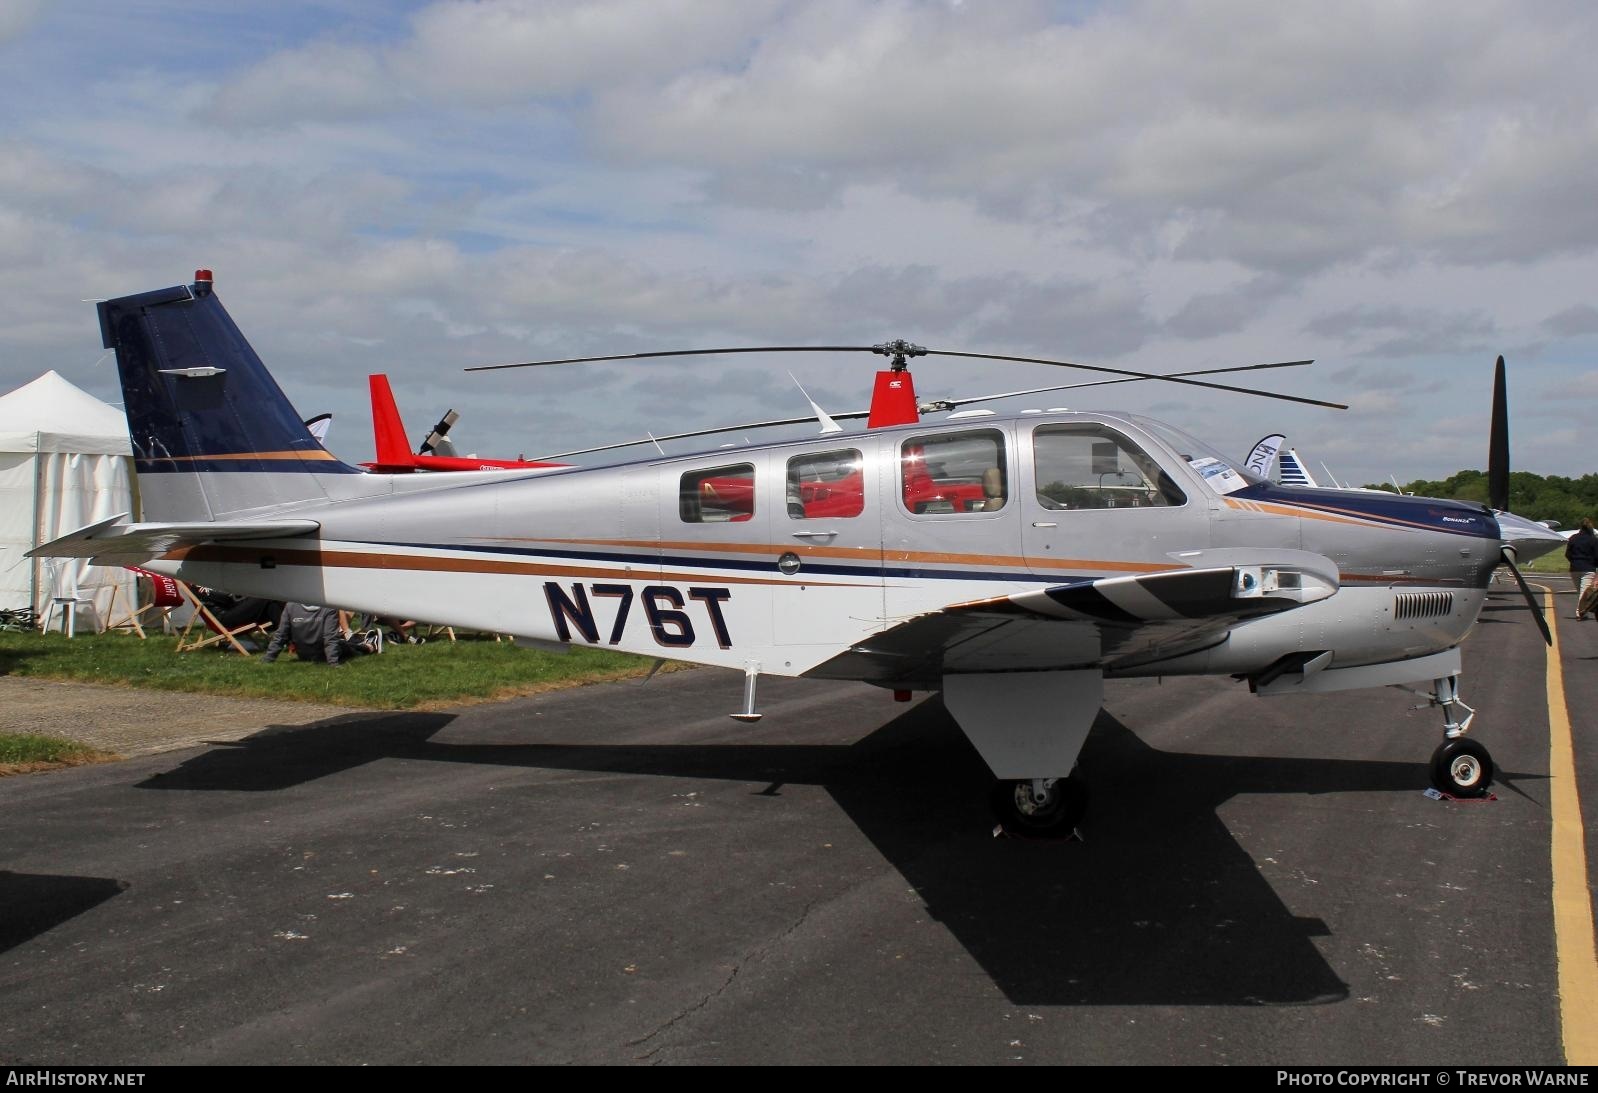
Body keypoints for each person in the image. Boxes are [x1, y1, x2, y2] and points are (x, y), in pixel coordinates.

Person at [261, 603, 380, 666]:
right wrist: (333, 663)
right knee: (345, 645)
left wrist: (268, 659)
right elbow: (330, 638)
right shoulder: (328, 608)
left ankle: (365, 643)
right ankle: (370, 646)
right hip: (324, 654)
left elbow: (280, 635)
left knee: (342, 643)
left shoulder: (290, 606)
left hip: (303, 655)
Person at [1566, 518, 1598, 619]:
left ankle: (1582, 612)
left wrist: (1573, 561)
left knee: (1580, 591)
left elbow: (1567, 554)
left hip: (1574, 568)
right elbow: (1597, 556)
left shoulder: (1573, 538)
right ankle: (1580, 612)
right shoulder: (1593, 540)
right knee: (1584, 593)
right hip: (1588, 568)